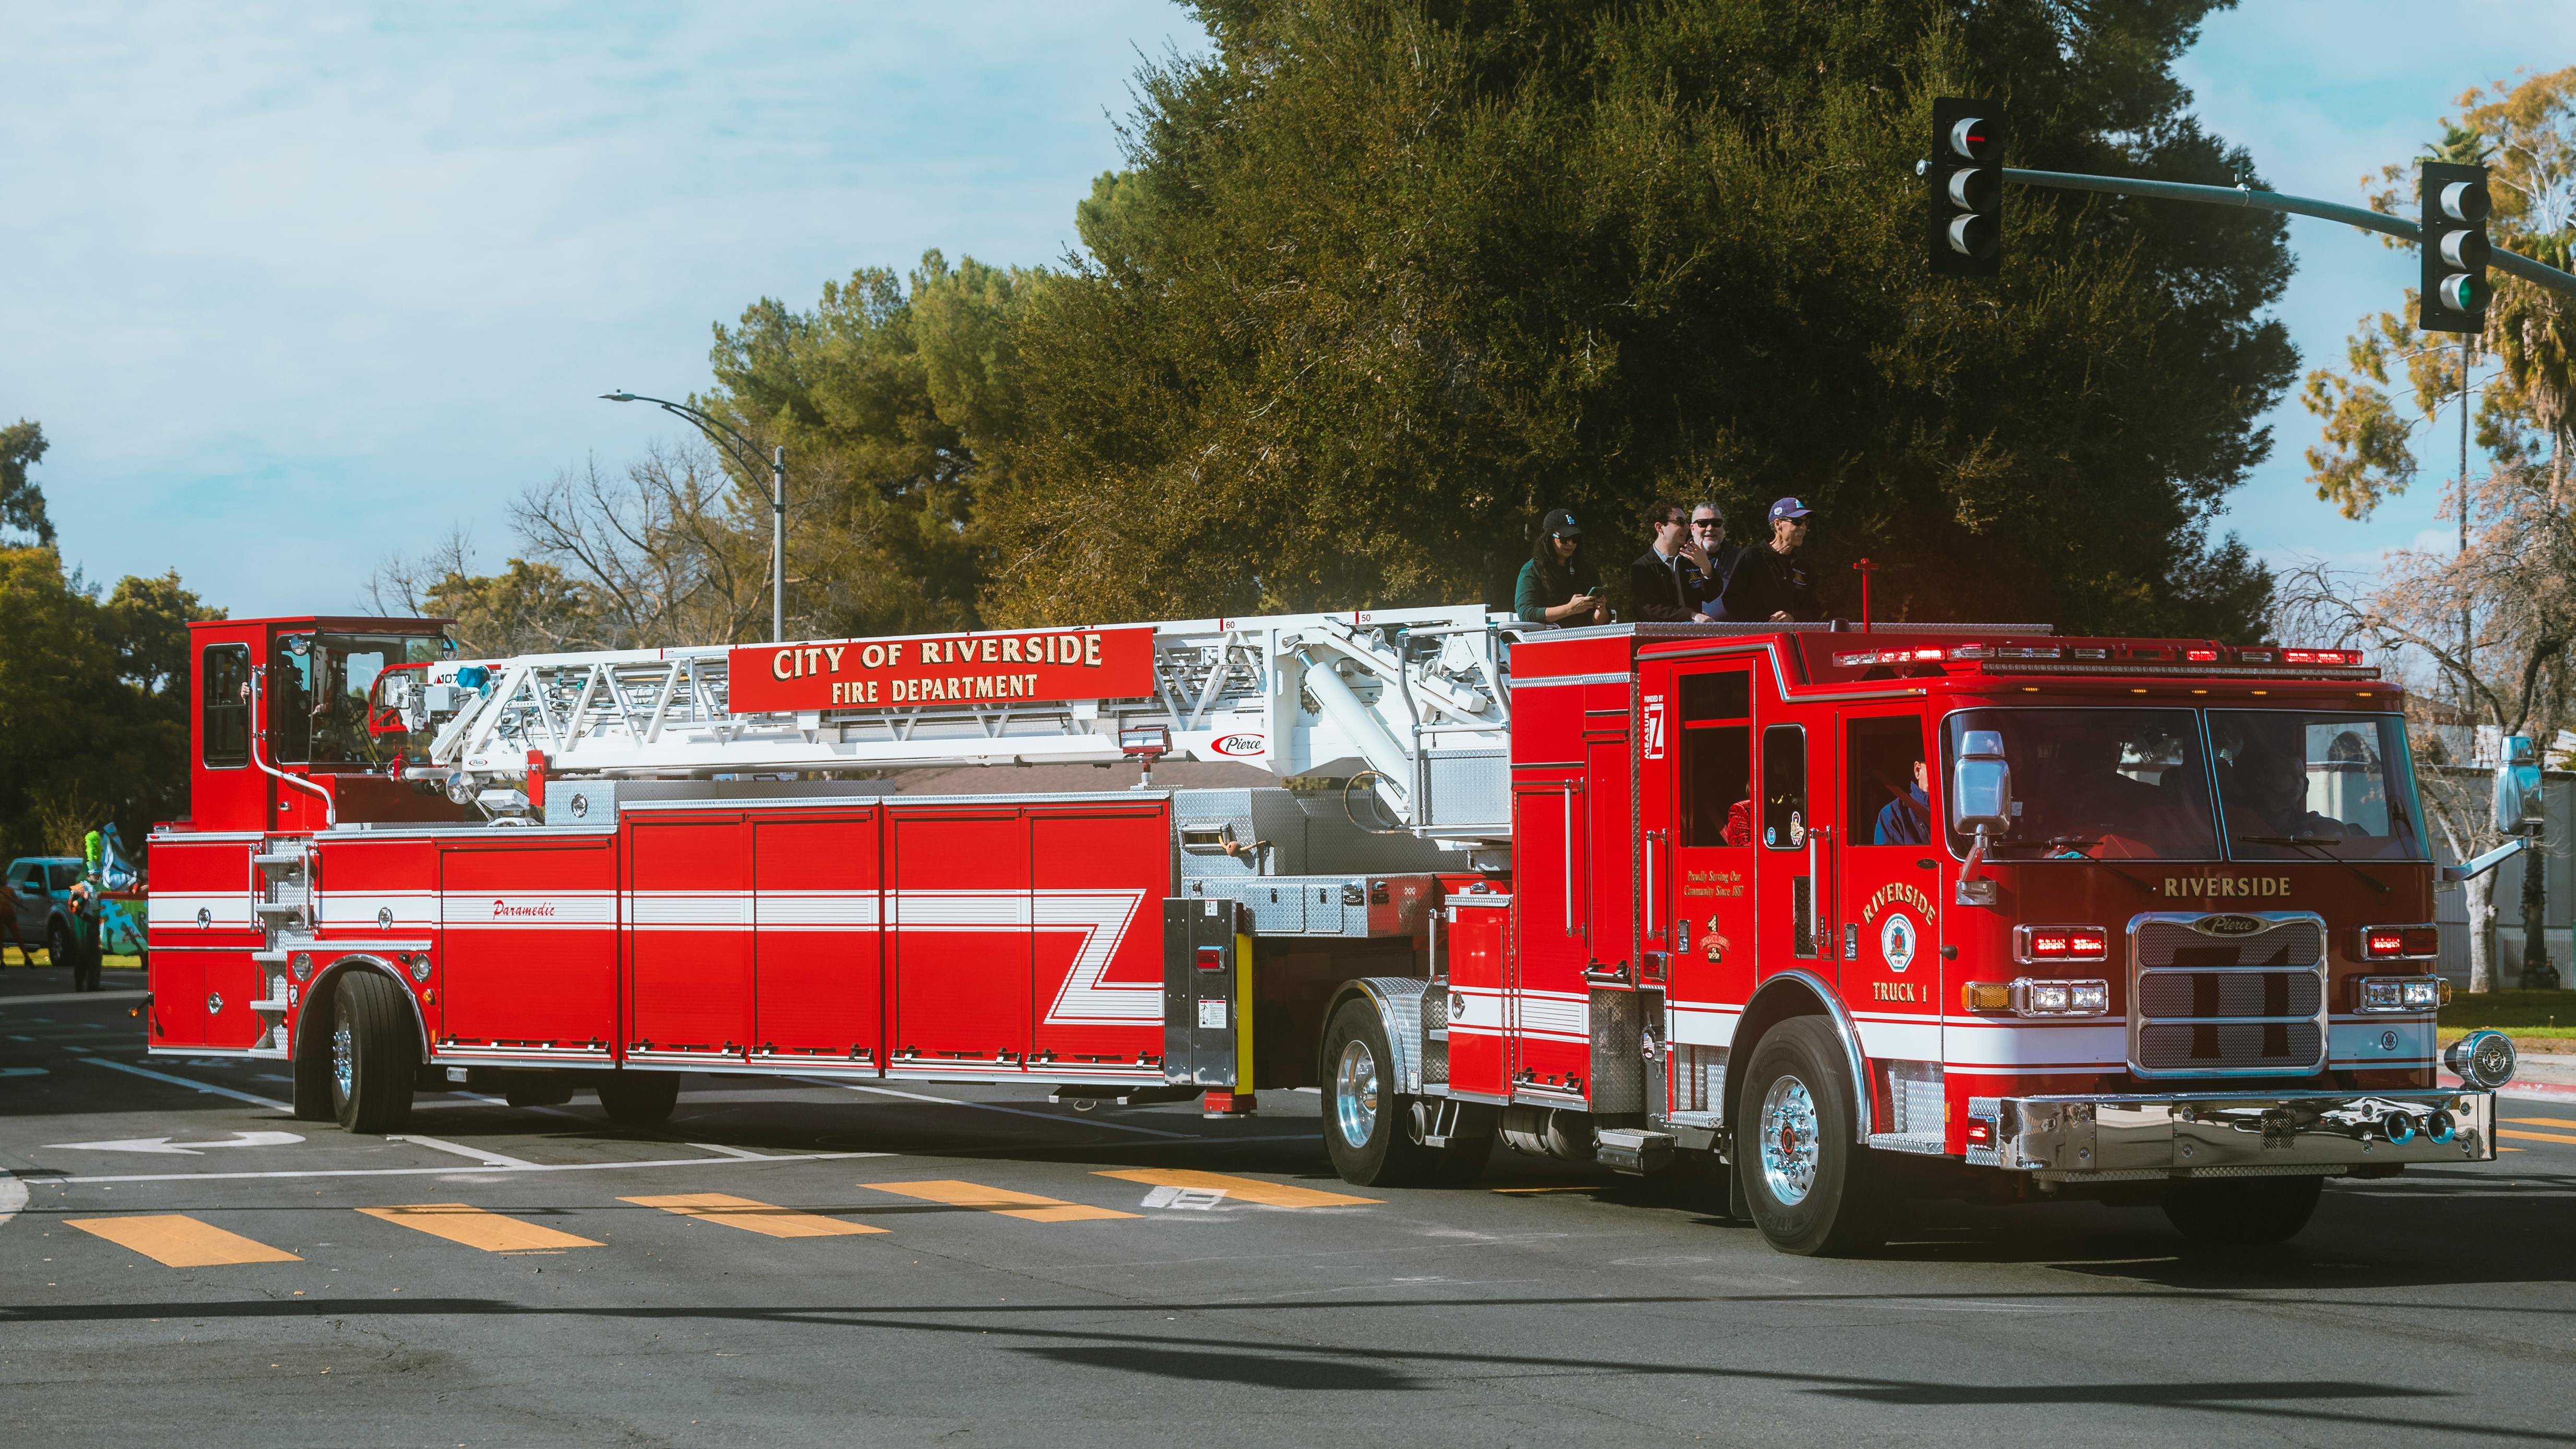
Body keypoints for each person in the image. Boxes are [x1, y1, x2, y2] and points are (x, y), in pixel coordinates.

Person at [1720, 496, 1821, 624]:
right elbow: (1732, 601)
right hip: (1759, 640)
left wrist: (1794, 618)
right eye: (1797, 522)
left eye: (1806, 522)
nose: (1804, 527)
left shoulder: (1804, 567)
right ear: (1778, 524)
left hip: (1791, 640)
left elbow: (1814, 610)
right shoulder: (1751, 557)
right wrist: (1765, 623)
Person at [1515, 509, 1609, 626]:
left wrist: (1601, 609)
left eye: (1575, 539)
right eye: (1564, 539)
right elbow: (1527, 614)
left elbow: (1600, 621)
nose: (1570, 544)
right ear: (1549, 538)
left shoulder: (1587, 569)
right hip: (1548, 641)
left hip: (1586, 639)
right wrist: (1569, 609)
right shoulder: (1533, 570)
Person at [1627, 500, 1702, 622]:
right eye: (1680, 522)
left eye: (1687, 522)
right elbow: (1651, 608)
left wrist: (1706, 568)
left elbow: (1711, 595)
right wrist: (1691, 615)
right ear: (1660, 527)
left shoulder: (1690, 560)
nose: (1687, 527)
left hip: (1693, 635)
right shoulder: (1642, 567)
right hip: (1660, 637)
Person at [1686, 500, 1742, 621]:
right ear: (1692, 528)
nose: (1710, 528)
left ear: (1723, 527)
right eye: (1703, 523)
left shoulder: (1740, 558)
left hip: (1731, 632)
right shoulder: (1679, 558)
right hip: (1688, 633)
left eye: (1716, 523)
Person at [1874, 751, 1931, 845]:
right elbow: (1886, 859)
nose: (1941, 773)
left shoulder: (1956, 811)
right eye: (1935, 766)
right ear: (1918, 770)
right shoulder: (1892, 816)